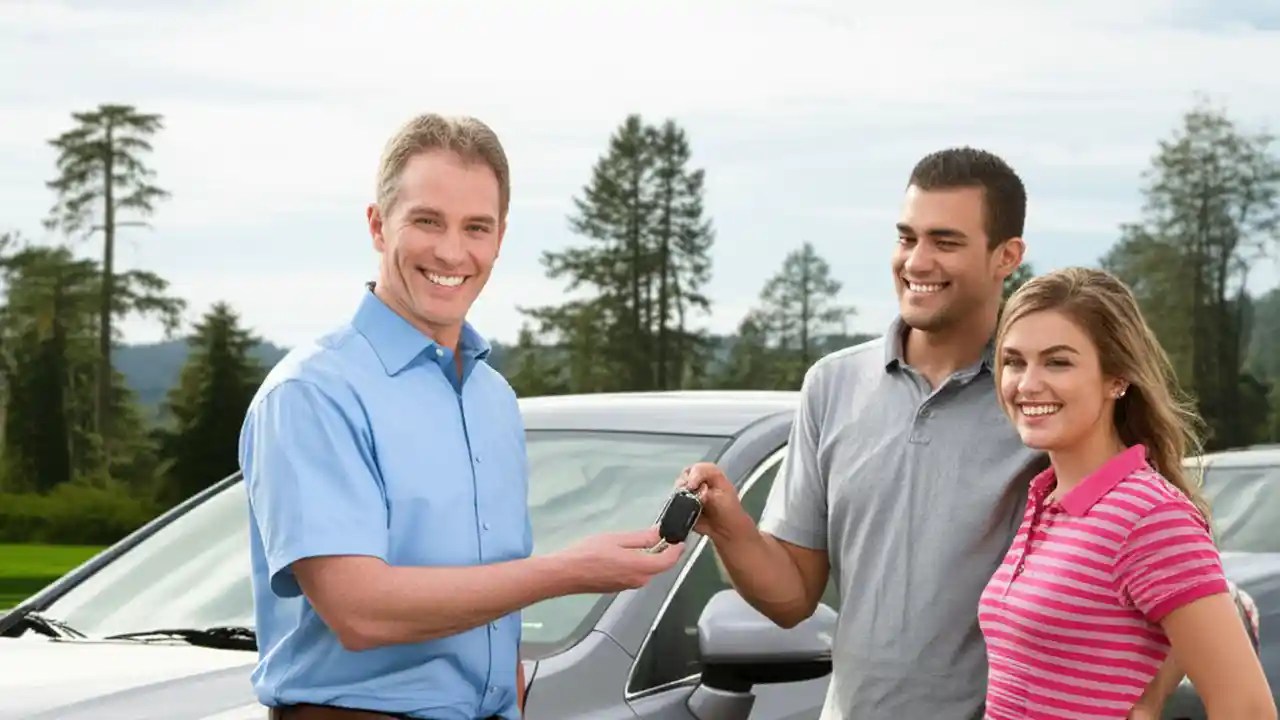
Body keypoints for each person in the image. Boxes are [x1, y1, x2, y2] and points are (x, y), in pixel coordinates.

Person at [678, 147, 1184, 719]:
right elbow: (793, 597)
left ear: (1007, 256)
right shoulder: (832, 384)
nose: (916, 262)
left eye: (945, 242)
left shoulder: (1042, 401)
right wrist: (732, 529)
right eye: (907, 238)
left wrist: (1142, 707)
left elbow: (1180, 581)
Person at [238, 113, 683, 720]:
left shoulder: (492, 398)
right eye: (427, 221)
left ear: (500, 237)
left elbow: (494, 618)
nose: (452, 251)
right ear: (378, 225)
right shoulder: (312, 393)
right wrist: (567, 572)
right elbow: (359, 611)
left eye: (476, 227)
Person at [981, 266, 1275, 719]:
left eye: (1058, 362)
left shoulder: (1149, 515)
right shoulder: (1045, 500)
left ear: (1117, 378)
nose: (1027, 384)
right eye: (1014, 361)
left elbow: (1248, 709)